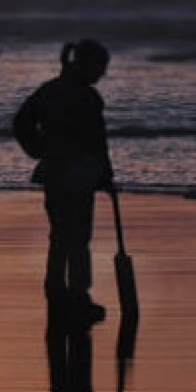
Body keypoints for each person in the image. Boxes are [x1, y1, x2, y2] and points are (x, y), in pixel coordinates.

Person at [15, 40, 116, 321]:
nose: (102, 75)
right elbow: (98, 142)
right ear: (87, 65)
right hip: (78, 176)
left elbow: (22, 122)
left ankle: (57, 291)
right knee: (79, 236)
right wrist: (105, 173)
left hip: (55, 173)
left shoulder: (50, 91)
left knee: (61, 234)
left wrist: (38, 150)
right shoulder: (86, 97)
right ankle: (78, 295)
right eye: (100, 68)